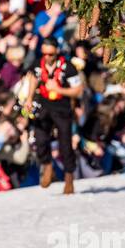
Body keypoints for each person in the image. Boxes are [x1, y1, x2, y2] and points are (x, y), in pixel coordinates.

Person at [20, 35, 83, 194]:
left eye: (51, 54)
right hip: (43, 104)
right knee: (40, 138)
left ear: (57, 52)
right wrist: (29, 98)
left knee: (65, 144)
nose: (47, 57)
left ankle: (69, 178)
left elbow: (78, 90)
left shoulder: (68, 67)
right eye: (45, 54)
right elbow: (33, 79)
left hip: (62, 106)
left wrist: (58, 89)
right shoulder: (38, 64)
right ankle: (47, 166)